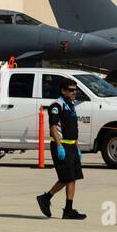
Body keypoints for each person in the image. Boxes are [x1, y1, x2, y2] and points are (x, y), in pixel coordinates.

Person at [37, 80, 86, 219]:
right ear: (63, 91)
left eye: (75, 90)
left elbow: (73, 129)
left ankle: (68, 210)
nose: (74, 92)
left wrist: (77, 148)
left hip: (72, 146)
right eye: (71, 90)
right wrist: (59, 146)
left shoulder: (71, 106)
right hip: (62, 145)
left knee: (73, 178)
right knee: (66, 177)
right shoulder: (56, 106)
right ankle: (46, 198)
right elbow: (53, 127)